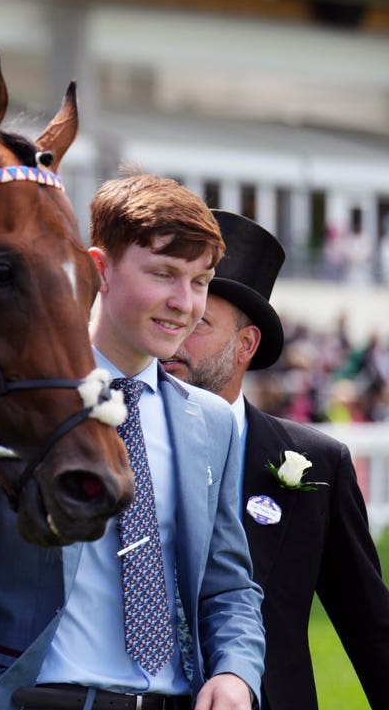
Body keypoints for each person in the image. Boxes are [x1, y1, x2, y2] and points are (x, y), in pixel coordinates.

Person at [0, 174, 265, 710]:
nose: (184, 303)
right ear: (98, 270)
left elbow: (229, 589)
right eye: (164, 274)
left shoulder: (212, 422)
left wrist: (235, 672)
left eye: (200, 281)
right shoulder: (7, 403)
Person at [161, 210, 389, 710]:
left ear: (246, 344)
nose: (173, 338)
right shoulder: (124, 439)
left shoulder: (315, 461)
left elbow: (370, 624)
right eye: (169, 315)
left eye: (197, 322)